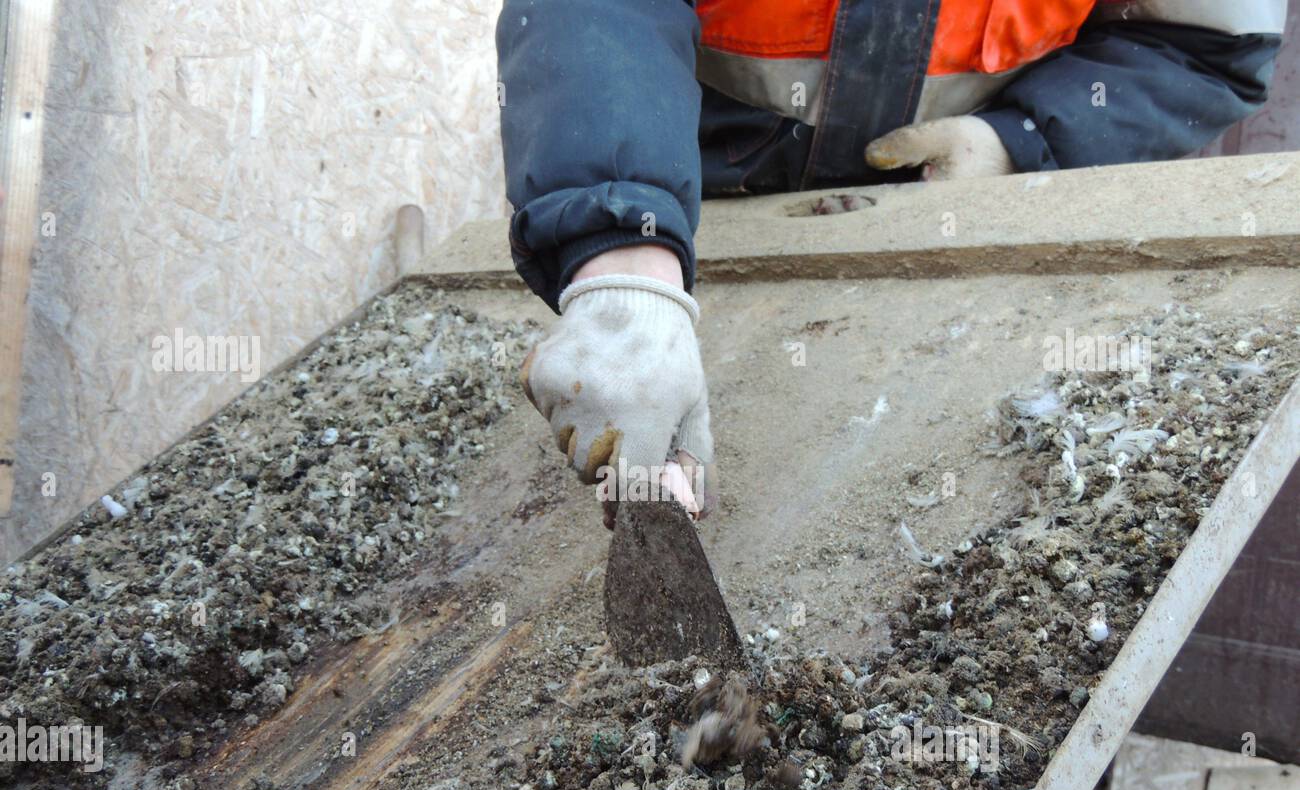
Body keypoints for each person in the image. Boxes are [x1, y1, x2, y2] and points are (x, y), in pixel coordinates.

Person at [498, 0, 1285, 527]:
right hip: (685, 194)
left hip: (948, 222)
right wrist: (622, 255)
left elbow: (1206, 47)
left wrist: (1020, 143)